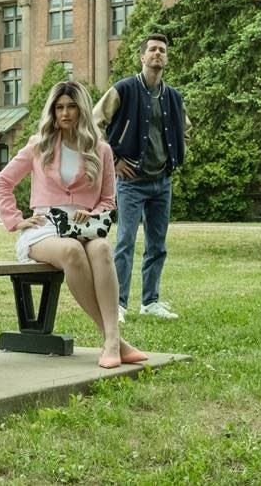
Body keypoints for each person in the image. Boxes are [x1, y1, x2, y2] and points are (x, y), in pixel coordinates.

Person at [0, 80, 148, 369]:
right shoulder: (39, 145)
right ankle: (113, 340)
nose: (65, 113)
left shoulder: (101, 150)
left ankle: (113, 339)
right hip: (45, 229)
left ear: (82, 110)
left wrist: (91, 213)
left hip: (84, 228)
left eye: (72, 106)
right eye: (59, 107)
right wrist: (15, 220)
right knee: (71, 251)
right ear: (52, 111)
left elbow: (108, 200)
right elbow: (2, 183)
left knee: (102, 249)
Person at [93, 34, 190, 323]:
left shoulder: (173, 97)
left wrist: (176, 156)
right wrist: (114, 159)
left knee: (157, 244)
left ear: (166, 58)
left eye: (162, 50)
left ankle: (150, 301)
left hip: (162, 181)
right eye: (152, 50)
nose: (158, 53)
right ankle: (118, 304)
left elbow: (185, 130)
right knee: (125, 242)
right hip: (131, 182)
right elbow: (94, 123)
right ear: (142, 57)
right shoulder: (124, 89)